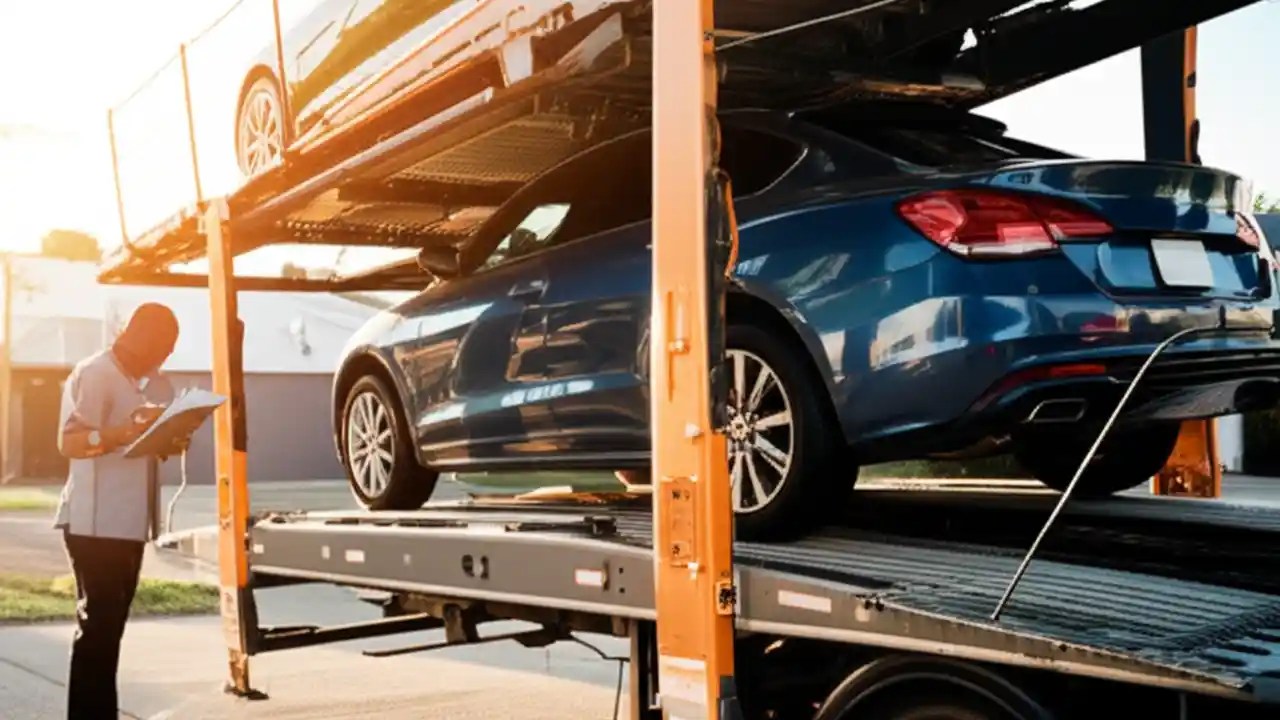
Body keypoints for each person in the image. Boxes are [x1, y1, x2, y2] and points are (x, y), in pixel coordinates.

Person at [53, 302, 180, 719]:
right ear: (140, 335)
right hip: (94, 525)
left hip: (125, 527)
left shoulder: (135, 383)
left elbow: (129, 447)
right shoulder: (96, 372)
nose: (166, 357)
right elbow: (70, 442)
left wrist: (166, 438)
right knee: (98, 632)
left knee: (110, 633)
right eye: (164, 346)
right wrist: (123, 433)